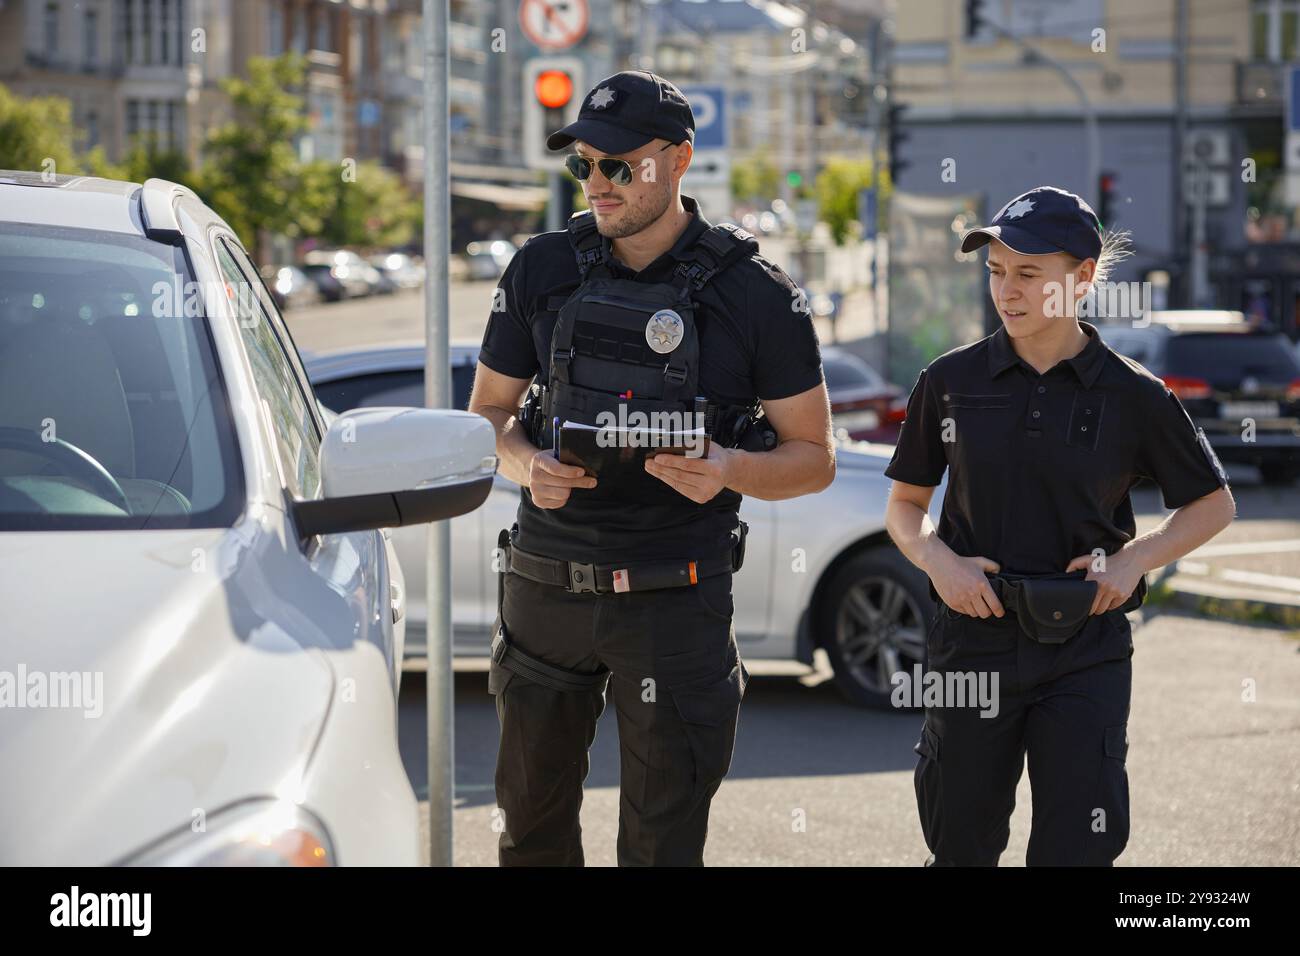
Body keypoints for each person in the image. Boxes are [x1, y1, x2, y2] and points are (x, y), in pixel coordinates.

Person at [467, 71, 835, 866]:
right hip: (546, 589)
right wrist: (527, 464)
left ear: (678, 160)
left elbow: (815, 458)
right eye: (583, 166)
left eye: (618, 166)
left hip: (676, 601)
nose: (597, 184)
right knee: (528, 835)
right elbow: (487, 417)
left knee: (662, 846)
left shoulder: (758, 294)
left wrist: (729, 467)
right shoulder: (539, 268)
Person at [883, 185, 1236, 866]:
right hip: (972, 643)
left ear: (1079, 279)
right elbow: (904, 507)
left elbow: (1214, 504)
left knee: (1079, 847)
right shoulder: (951, 381)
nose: (1005, 291)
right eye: (995, 272)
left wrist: (1135, 559)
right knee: (958, 844)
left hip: (1086, 648)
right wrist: (938, 561)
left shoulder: (1135, 393)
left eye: (1026, 273)